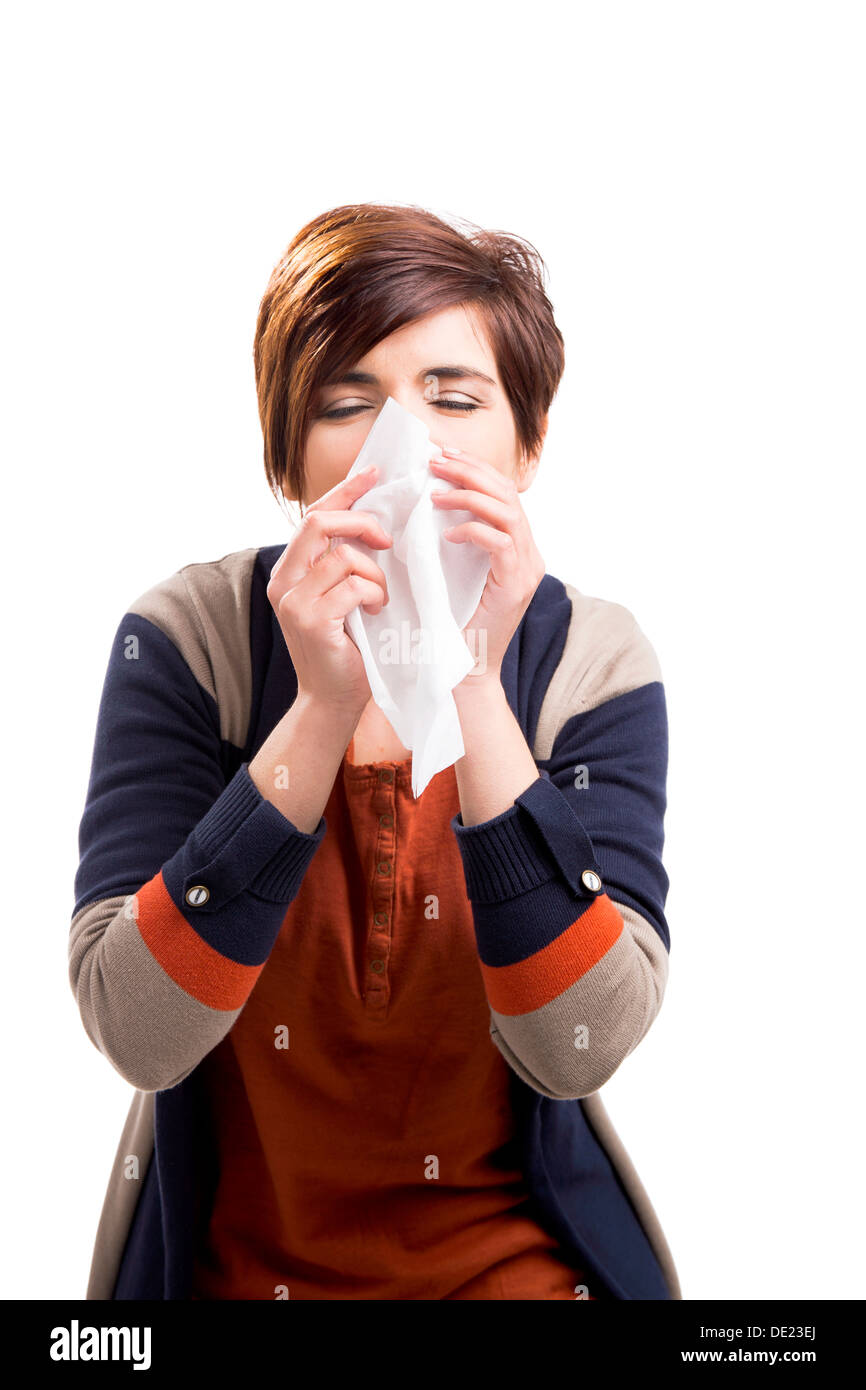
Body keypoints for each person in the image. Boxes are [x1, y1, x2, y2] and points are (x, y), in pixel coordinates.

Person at [69, 202, 680, 1301]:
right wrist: (315, 710)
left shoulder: (594, 660)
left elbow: (579, 1042)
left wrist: (474, 688)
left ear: (526, 446)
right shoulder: (187, 639)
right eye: (346, 404)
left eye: (453, 397)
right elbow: (136, 1029)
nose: (404, 443)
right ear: (290, 462)